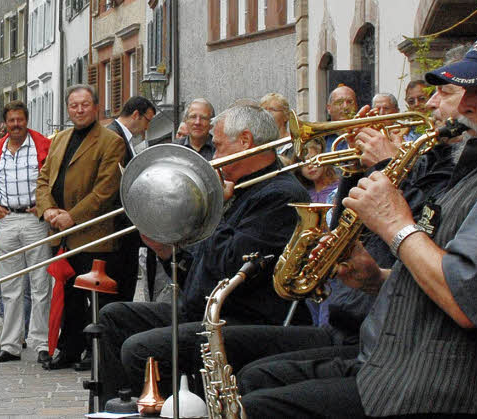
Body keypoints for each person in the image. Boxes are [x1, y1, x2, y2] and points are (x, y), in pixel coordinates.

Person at [239, 25, 477, 418]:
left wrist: (394, 222)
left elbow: (464, 297)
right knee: (255, 382)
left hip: (441, 388)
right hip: (400, 367)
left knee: (258, 406)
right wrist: (377, 278)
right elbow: (469, 274)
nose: (464, 105)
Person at [97, 103, 310, 401]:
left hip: (242, 318)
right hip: (205, 309)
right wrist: (167, 253)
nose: (215, 158)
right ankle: (117, 406)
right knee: (113, 317)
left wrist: (217, 208)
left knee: (140, 349)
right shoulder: (243, 187)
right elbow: (204, 269)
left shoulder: (279, 194)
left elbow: (230, 268)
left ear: (246, 141)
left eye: (220, 147)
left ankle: (168, 406)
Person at [34, 84, 125, 371]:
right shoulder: (59, 138)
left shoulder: (111, 141)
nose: (79, 110)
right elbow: (44, 179)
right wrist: (47, 209)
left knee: (93, 298)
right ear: (67, 108)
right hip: (60, 232)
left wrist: (72, 216)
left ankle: (94, 350)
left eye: (85, 104)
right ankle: (68, 348)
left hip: (92, 233)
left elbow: (105, 190)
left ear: (96, 107)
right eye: (74, 105)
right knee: (68, 295)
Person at [0, 100, 53, 364]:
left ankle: (42, 342)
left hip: (35, 220)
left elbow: (55, 179)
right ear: (5, 123)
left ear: (27, 120)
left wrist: (45, 206)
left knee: (40, 284)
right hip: (8, 219)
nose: (16, 125)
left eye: (20, 119)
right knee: (9, 286)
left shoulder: (43, 145)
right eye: (11, 120)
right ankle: (10, 344)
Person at [105, 96, 156, 306]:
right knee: (120, 288)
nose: (147, 127)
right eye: (147, 120)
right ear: (136, 114)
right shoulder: (113, 136)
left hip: (124, 228)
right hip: (118, 227)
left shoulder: (121, 136)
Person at [295, 138, 339, 204]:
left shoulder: (339, 187)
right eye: (304, 163)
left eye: (313, 159)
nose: (310, 166)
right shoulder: (303, 194)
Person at [324, 85, 358, 152]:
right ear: (329, 108)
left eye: (350, 102)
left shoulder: (365, 134)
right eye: (339, 102)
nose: (345, 107)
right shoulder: (318, 140)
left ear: (356, 106)